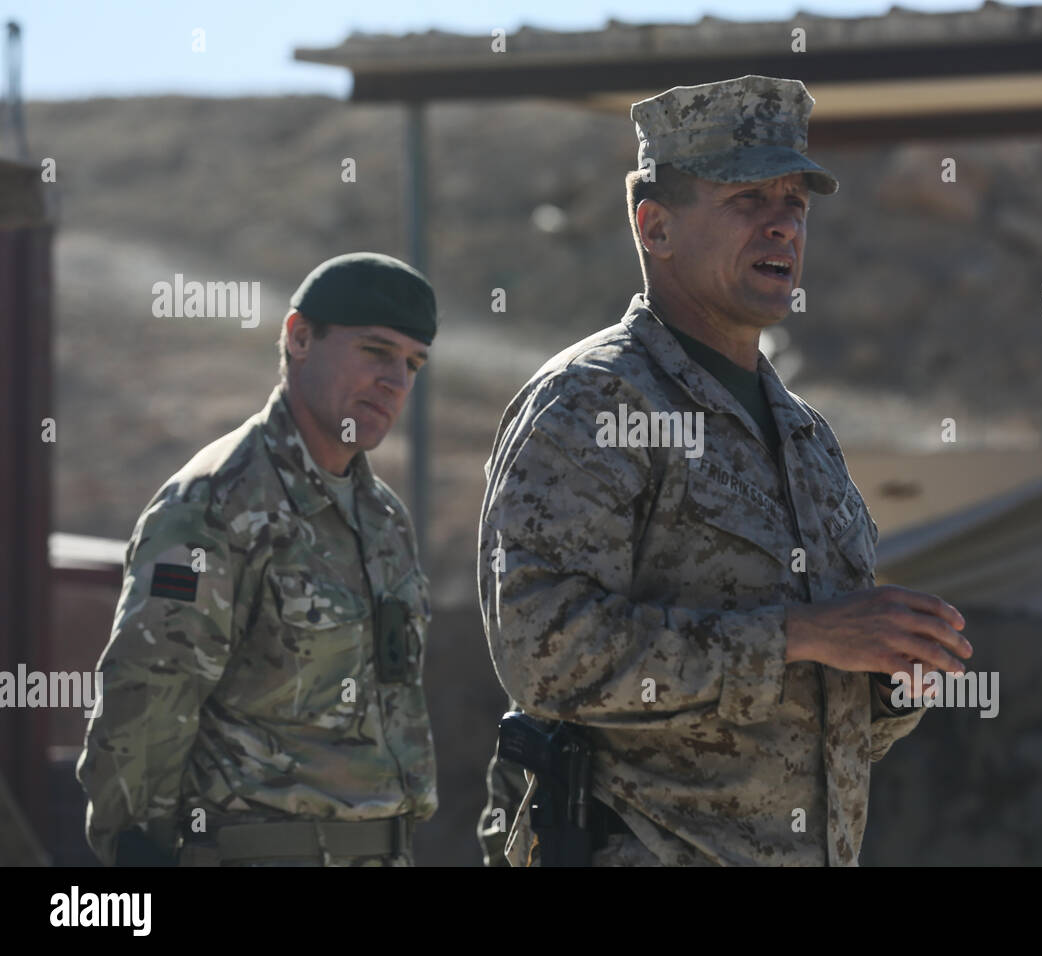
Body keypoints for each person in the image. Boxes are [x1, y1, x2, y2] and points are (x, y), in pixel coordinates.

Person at [478, 76, 972, 867]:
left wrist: (891, 679)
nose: (783, 226)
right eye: (748, 200)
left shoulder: (806, 436)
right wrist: (799, 635)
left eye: (796, 203)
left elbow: (823, 700)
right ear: (656, 227)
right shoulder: (595, 402)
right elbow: (544, 653)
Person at [78, 252, 440, 866]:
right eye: (376, 351)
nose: (396, 381)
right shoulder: (215, 504)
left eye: (412, 363)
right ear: (300, 337)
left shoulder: (383, 519)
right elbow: (146, 702)